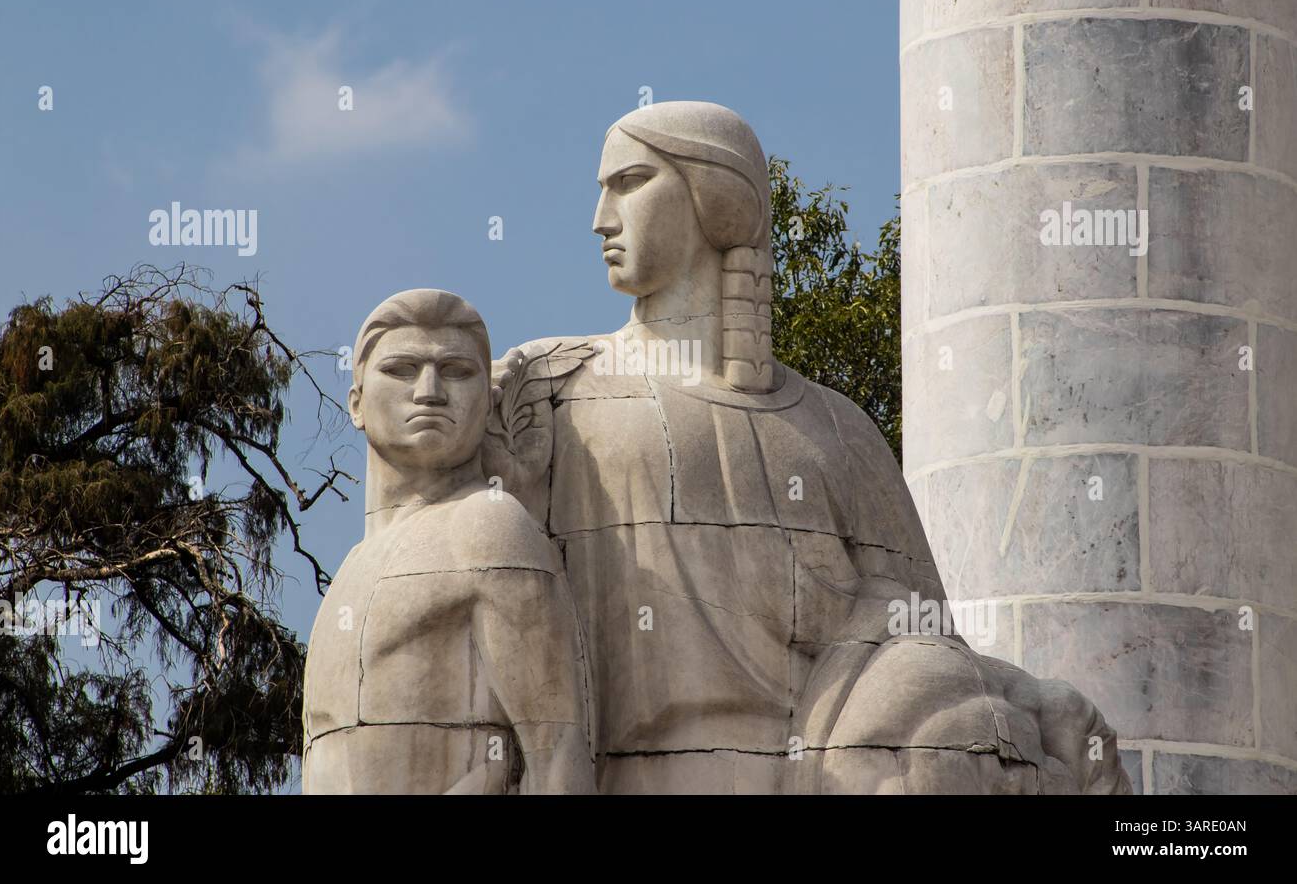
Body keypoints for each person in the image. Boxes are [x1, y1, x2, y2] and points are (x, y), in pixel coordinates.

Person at [483, 102, 1130, 794]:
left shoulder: (838, 428)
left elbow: (926, 648)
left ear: (720, 200)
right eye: (603, 188)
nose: (601, 218)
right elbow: (475, 599)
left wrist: (1042, 710)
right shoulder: (553, 388)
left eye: (631, 182)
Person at [302, 289, 595, 794]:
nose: (430, 391)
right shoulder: (350, 566)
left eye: (457, 372)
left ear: (489, 404)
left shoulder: (489, 525)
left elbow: (559, 750)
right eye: (401, 369)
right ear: (356, 404)